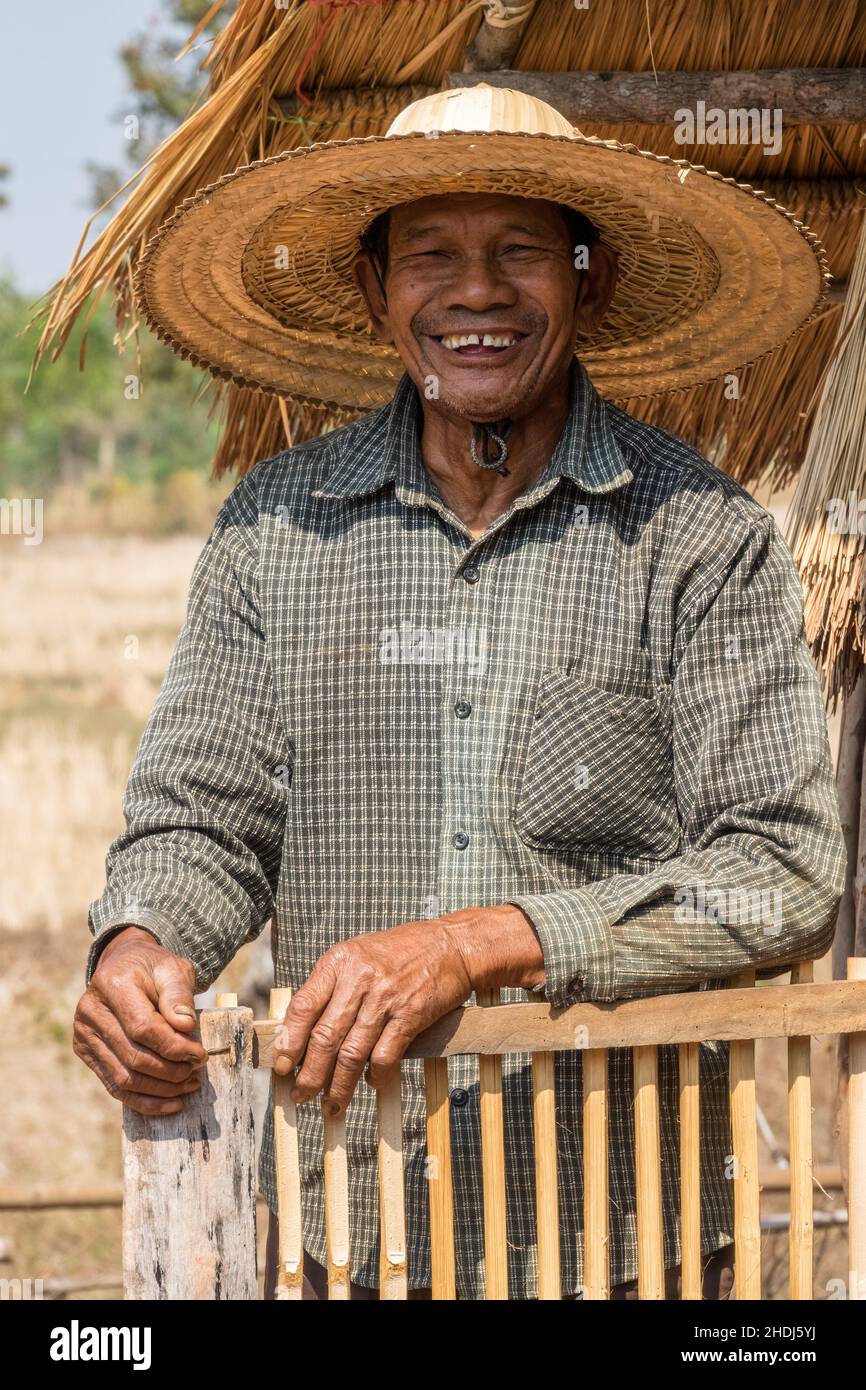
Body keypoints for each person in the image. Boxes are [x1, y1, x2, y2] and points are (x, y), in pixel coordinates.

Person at [74, 86, 845, 1300]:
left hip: (621, 1228)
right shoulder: (276, 530)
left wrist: (477, 943)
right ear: (379, 292)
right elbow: (201, 820)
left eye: (520, 253)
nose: (475, 292)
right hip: (350, 1224)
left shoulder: (697, 534)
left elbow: (782, 869)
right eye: (431, 254)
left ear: (587, 284)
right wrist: (136, 945)